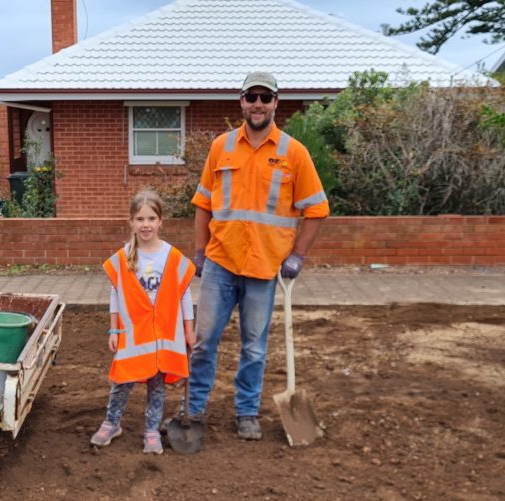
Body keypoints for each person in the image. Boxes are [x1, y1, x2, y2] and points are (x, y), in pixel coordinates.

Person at [187, 71, 329, 441]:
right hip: (220, 263)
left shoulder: (293, 153)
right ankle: (195, 408)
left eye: (266, 97)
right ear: (242, 102)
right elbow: (203, 204)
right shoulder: (221, 147)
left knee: (254, 346)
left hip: (265, 268)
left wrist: (298, 255)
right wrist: (200, 253)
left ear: (276, 103)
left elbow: (317, 209)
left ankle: (246, 412)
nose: (258, 104)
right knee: (203, 343)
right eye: (252, 97)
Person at [92, 190, 196, 454]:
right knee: (122, 381)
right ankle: (112, 423)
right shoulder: (124, 257)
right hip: (133, 334)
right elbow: (116, 294)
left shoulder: (172, 257)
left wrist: (189, 330)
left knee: (157, 386)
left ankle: (151, 430)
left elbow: (184, 294)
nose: (146, 224)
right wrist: (114, 328)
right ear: (131, 222)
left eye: (151, 218)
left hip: (164, 334)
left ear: (161, 221)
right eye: (140, 219)